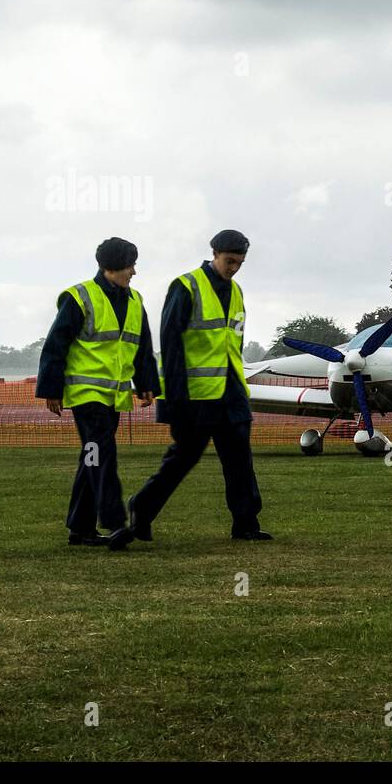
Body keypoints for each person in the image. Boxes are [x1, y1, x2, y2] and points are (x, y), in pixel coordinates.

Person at [111, 230, 270, 549]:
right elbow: (171, 347)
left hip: (232, 392)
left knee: (240, 459)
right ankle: (141, 508)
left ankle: (246, 523)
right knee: (183, 459)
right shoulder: (185, 286)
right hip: (196, 397)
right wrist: (176, 401)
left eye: (239, 263)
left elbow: (231, 344)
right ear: (214, 253)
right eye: (229, 261)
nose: (234, 268)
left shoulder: (236, 292)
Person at [35, 237, 159, 546]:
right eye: (130, 265)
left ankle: (80, 527)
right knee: (101, 454)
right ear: (111, 267)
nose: (134, 271)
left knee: (92, 457)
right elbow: (56, 344)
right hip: (86, 394)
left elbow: (143, 346)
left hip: (113, 395)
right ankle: (116, 521)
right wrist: (52, 388)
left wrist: (146, 385)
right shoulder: (80, 297)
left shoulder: (135, 301)